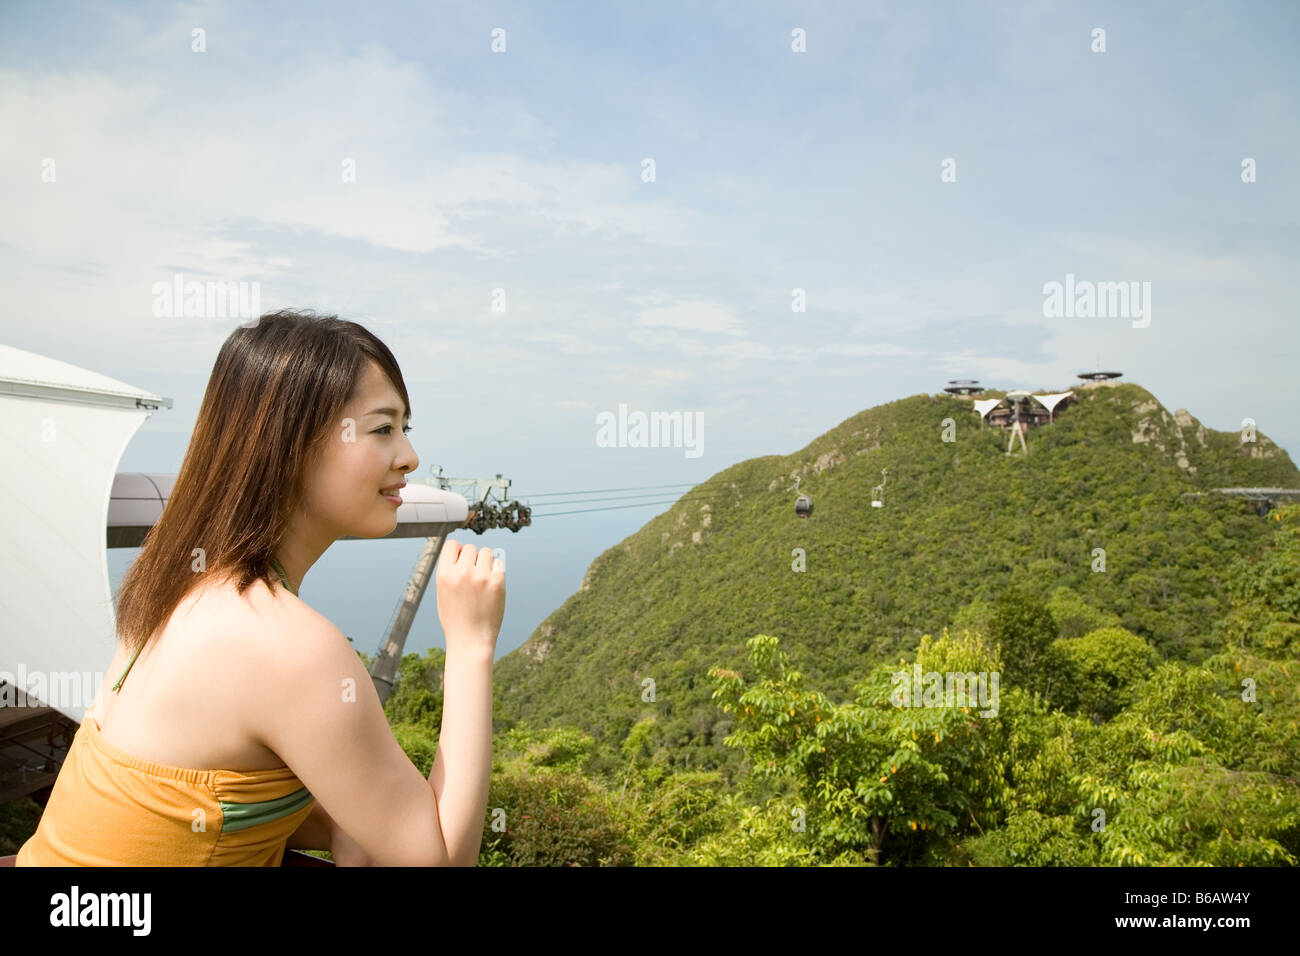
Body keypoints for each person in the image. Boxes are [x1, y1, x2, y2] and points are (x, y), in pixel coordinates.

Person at [16, 309, 504, 866]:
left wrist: (359, 828)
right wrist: (470, 644)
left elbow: (213, 804)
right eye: (382, 428)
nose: (409, 457)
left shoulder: (171, 582)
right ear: (291, 445)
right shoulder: (288, 646)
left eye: (405, 428)